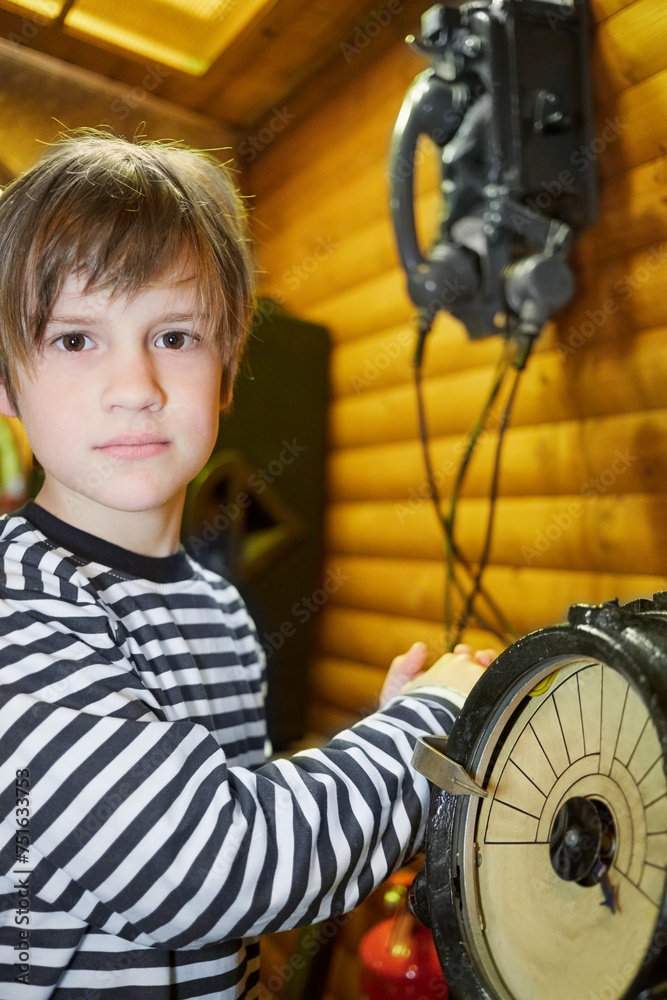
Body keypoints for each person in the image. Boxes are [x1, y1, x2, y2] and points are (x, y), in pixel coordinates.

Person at [0, 131, 494, 999]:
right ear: (6, 387)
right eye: (76, 339)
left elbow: (235, 821)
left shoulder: (220, 611)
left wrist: (385, 732)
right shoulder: (17, 609)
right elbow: (217, 868)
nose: (136, 384)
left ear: (227, 372)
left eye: (177, 335)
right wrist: (423, 727)